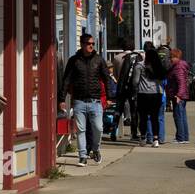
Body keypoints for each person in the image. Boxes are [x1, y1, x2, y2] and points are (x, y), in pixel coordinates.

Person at [61, 32, 112, 166]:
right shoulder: (74, 61)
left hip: (95, 101)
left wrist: (110, 97)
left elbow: (107, 78)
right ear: (82, 44)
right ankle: (82, 156)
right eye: (89, 44)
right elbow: (66, 80)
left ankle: (95, 149)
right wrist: (62, 99)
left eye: (93, 44)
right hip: (79, 100)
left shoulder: (99, 60)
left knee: (98, 128)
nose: (91, 46)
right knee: (81, 130)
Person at [132, 45, 163, 146]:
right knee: (155, 117)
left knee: (143, 117)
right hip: (157, 94)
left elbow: (135, 81)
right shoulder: (159, 66)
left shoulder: (139, 65)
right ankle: (156, 139)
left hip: (143, 93)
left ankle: (143, 138)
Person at [115, 44, 142, 141]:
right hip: (133, 89)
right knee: (134, 111)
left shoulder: (117, 57)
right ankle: (133, 133)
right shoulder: (139, 57)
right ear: (133, 48)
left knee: (118, 110)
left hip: (121, 86)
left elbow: (115, 74)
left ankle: (114, 131)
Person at [167, 47, 191, 144]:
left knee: (178, 116)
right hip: (181, 95)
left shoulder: (178, 66)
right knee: (182, 116)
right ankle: (184, 137)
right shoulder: (180, 65)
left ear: (175, 56)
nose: (170, 59)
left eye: (171, 57)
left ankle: (180, 137)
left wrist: (179, 95)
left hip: (178, 95)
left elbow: (181, 82)